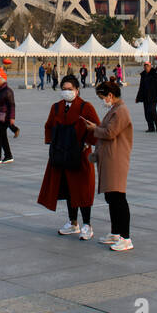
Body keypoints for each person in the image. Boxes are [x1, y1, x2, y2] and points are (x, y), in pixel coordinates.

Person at [36, 74, 98, 240]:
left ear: (77, 90)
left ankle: (87, 225)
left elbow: (95, 128)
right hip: (62, 155)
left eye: (70, 89)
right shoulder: (56, 107)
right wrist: (52, 143)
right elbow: (48, 126)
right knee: (68, 189)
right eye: (64, 89)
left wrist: (87, 143)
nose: (66, 92)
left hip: (80, 156)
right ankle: (73, 222)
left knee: (83, 190)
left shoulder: (86, 107)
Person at [84, 79, 134, 251]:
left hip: (117, 159)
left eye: (103, 97)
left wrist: (93, 129)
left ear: (110, 95)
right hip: (109, 158)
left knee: (118, 197)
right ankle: (116, 232)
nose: (103, 101)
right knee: (111, 197)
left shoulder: (121, 111)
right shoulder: (114, 109)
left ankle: (126, 237)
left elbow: (110, 132)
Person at [135, 61, 157, 132]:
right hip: (145, 96)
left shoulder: (155, 74)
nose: (146, 67)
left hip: (154, 96)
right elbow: (141, 87)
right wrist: (138, 97)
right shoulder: (143, 75)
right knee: (147, 113)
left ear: (150, 67)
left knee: (152, 110)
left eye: (147, 66)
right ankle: (151, 127)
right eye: (145, 66)